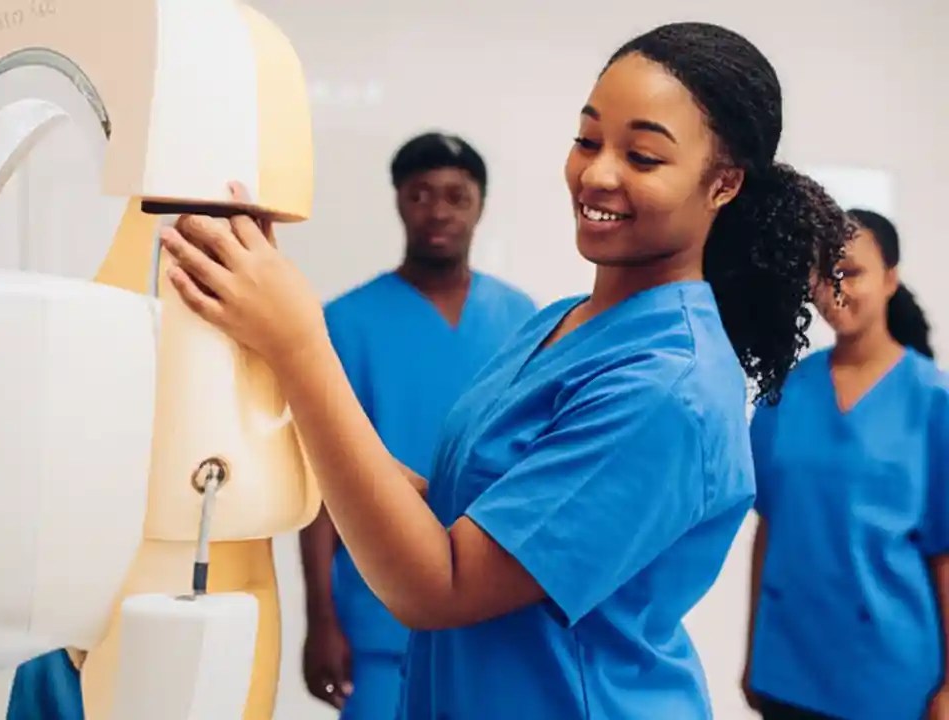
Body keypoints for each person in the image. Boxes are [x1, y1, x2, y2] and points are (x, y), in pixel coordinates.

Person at [159, 21, 850, 719]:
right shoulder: (558, 322)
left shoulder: (670, 388)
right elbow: (460, 511)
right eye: (587, 140)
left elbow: (442, 583)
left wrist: (301, 346)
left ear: (722, 184)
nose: (598, 173)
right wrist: (270, 344)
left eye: (642, 156)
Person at [299, 132, 538, 718]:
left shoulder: (522, 319)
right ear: (399, 201)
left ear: (480, 205)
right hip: (380, 619)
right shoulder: (345, 323)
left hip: (495, 612)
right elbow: (323, 484)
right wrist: (321, 618)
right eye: (421, 194)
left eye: (457, 196)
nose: (438, 211)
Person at [741, 209, 949, 720]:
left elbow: (946, 556)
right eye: (821, 273)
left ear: (891, 277)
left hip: (888, 678)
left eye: (851, 272)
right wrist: (753, 652)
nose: (833, 289)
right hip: (788, 668)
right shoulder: (783, 394)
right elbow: (770, 529)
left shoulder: (932, 401)